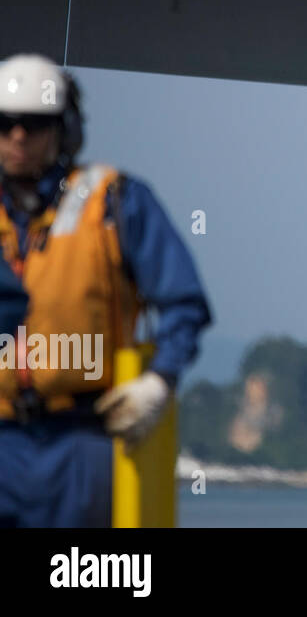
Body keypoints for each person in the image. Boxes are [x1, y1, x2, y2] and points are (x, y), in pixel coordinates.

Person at [0, 54, 212, 527]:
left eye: (33, 124)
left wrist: (159, 382)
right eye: (5, 123)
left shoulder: (116, 203)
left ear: (65, 129)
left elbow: (184, 302)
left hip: (82, 440)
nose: (17, 137)